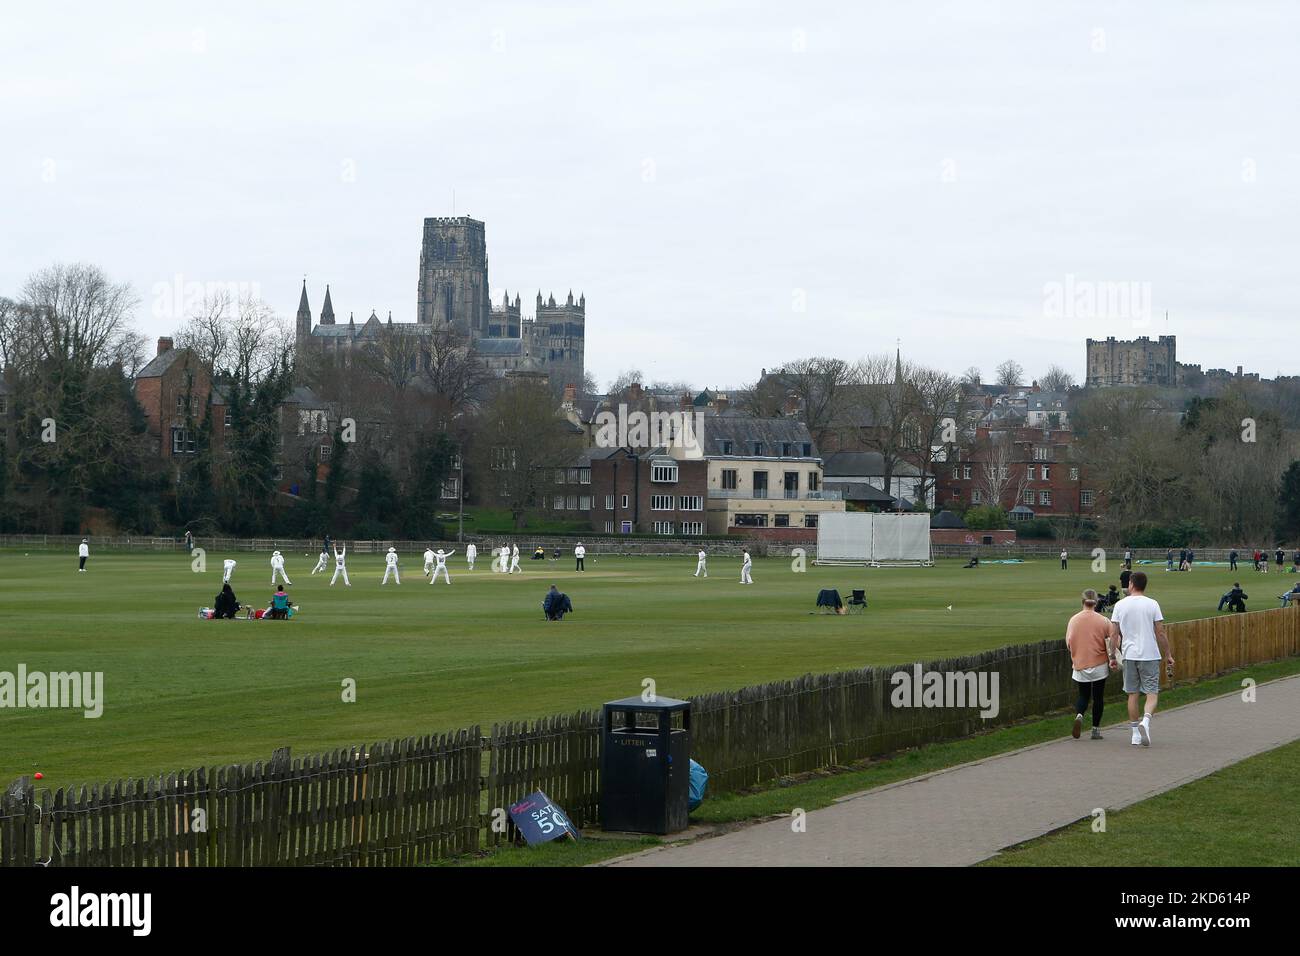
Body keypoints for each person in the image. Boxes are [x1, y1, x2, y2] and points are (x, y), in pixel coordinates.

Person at [1108, 571, 1174, 748]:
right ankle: (1146, 719)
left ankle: (1135, 733)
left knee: (1132, 694)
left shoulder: (1120, 605)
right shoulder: (1152, 604)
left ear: (1131, 584)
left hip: (1130, 655)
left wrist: (1112, 655)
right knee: (1152, 693)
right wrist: (1168, 654)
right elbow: (1160, 632)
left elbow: (1114, 634)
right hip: (1150, 654)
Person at [1065, 589, 1111, 740]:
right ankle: (1095, 730)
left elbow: (1069, 642)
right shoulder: (1103, 620)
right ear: (1096, 602)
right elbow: (1113, 640)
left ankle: (1079, 715)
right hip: (1099, 662)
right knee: (1098, 697)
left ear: (1082, 601)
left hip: (1080, 663)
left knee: (1083, 695)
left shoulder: (1073, 620)